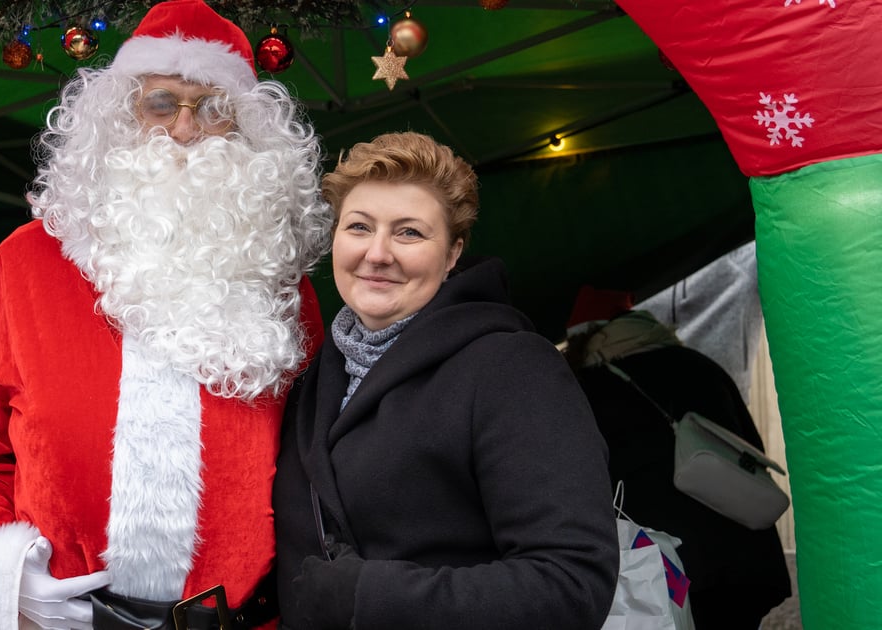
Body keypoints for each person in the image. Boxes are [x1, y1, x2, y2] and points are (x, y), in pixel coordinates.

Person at [0, 1, 332, 628]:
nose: (183, 130)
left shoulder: (282, 286)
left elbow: (322, 471)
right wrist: (3, 578)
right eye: (161, 103)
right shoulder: (26, 264)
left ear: (245, 129)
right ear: (119, 115)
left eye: (211, 107)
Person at [272, 132, 620, 629]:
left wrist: (371, 597)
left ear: (453, 253)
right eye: (359, 227)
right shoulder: (311, 376)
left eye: (409, 233)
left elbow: (572, 583)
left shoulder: (512, 368)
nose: (377, 253)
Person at [561, 295, 792, 629]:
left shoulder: (592, 387)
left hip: (671, 572)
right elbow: (748, 447)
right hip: (745, 561)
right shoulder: (700, 365)